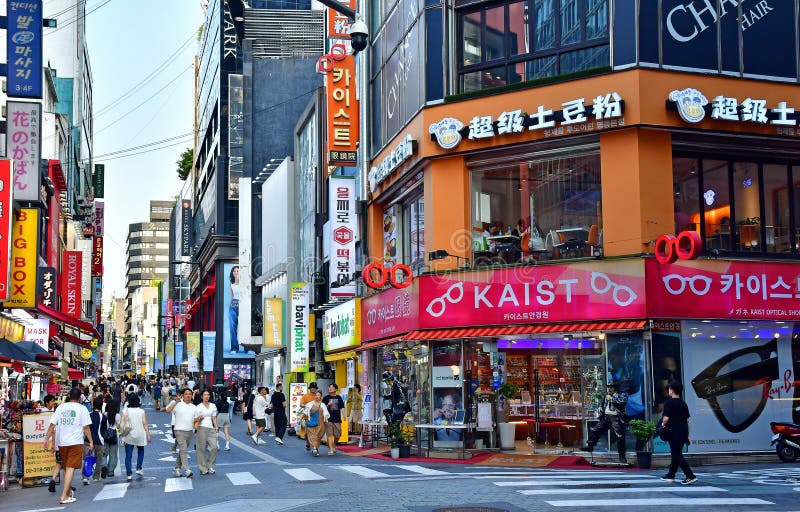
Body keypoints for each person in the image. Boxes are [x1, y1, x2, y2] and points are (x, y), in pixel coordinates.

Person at [44, 387, 92, 505]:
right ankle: (64, 496)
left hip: (62, 443)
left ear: (69, 396)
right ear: (80, 397)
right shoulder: (82, 408)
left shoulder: (60, 407)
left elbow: (52, 424)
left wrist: (46, 439)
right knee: (70, 468)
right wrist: (90, 441)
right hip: (75, 442)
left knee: (66, 467)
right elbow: (86, 427)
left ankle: (69, 491)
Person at [582, 380, 629, 464]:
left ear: (615, 388)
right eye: (609, 387)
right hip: (607, 416)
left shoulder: (622, 394)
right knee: (595, 430)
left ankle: (622, 457)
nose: (610, 389)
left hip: (616, 417)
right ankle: (590, 446)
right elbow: (603, 404)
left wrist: (612, 399)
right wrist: (601, 409)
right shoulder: (607, 395)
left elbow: (622, 402)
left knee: (620, 437)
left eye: (611, 387)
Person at [660, 381, 697, 485]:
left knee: (677, 454)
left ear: (671, 390)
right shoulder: (683, 403)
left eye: (669, 389)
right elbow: (687, 420)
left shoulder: (669, 403)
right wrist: (688, 435)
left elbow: (666, 419)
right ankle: (671, 475)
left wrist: (662, 425)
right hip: (683, 431)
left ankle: (690, 475)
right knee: (675, 453)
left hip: (673, 432)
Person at [119, 393, 151, 481]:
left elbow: (122, 424)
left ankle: (129, 474)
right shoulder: (141, 411)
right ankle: (139, 468)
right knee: (140, 452)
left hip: (129, 435)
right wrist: (148, 434)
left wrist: (121, 434)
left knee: (128, 455)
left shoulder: (126, 411)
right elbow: (145, 423)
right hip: (140, 434)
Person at [165, 388, 196, 477]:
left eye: (190, 394)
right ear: (182, 395)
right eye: (186, 394)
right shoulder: (177, 404)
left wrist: (198, 419)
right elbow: (167, 410)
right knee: (184, 450)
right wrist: (175, 402)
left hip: (189, 431)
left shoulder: (194, 407)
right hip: (179, 430)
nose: (188, 395)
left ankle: (176, 468)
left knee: (182, 451)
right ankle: (187, 470)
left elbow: (194, 419)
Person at [195, 389, 219, 474]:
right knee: (201, 449)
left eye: (208, 395)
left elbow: (214, 417)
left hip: (211, 428)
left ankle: (209, 465)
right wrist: (199, 418)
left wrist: (216, 426)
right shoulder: (198, 406)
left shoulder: (213, 405)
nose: (207, 396)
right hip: (201, 428)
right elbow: (195, 419)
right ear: (201, 396)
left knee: (214, 447)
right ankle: (203, 468)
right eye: (205, 395)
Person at [83, 397, 107, 484]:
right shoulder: (102, 417)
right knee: (98, 459)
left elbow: (85, 427)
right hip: (98, 440)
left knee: (87, 459)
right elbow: (104, 430)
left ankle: (85, 477)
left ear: (93, 405)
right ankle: (96, 477)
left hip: (87, 440)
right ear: (101, 406)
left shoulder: (88, 415)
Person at [322, 384, 345, 456]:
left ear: (335, 389)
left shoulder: (339, 397)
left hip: (337, 418)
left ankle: (334, 444)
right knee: (329, 435)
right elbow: (322, 407)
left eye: (332, 387)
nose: (330, 388)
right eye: (329, 387)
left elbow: (342, 407)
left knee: (338, 435)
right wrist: (328, 404)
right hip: (328, 419)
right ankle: (331, 449)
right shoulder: (326, 398)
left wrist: (344, 415)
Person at [305, 390, 329, 457]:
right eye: (316, 395)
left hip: (321, 424)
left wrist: (326, 417)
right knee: (313, 435)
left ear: (321, 397)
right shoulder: (309, 404)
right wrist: (301, 419)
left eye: (318, 395)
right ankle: (315, 449)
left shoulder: (323, 405)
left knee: (319, 436)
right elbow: (305, 412)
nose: (317, 397)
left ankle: (315, 448)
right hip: (312, 423)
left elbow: (326, 412)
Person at [101, 398, 120, 478]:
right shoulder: (117, 416)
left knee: (104, 453)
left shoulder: (103, 414)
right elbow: (118, 427)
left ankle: (104, 465)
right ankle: (110, 471)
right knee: (113, 455)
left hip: (105, 436)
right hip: (113, 436)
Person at [299, 382, 318, 451]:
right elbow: (301, 404)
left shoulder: (318, 396)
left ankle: (315, 447)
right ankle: (308, 442)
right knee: (307, 433)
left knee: (315, 433)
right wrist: (307, 406)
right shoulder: (305, 396)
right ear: (310, 388)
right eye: (312, 388)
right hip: (307, 417)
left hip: (316, 417)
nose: (313, 389)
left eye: (315, 388)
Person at [228, 265, 241, 354]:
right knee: (232, 327)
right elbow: (232, 297)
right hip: (233, 304)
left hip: (243, 304)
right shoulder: (231, 285)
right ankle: (234, 348)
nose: (236, 272)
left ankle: (248, 348)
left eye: (237, 271)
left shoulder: (244, 283)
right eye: (234, 271)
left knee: (244, 325)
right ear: (232, 273)